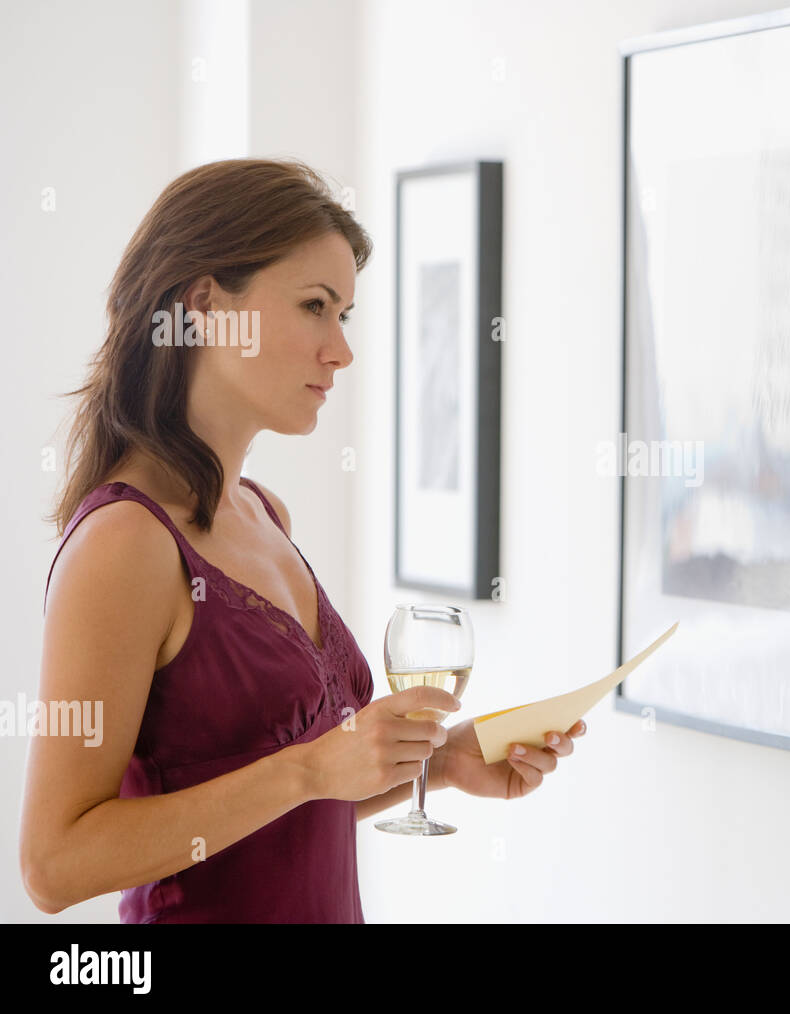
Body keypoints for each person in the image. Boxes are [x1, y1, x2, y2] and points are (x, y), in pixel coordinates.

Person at [19, 157, 583, 922]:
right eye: (315, 306)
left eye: (343, 314)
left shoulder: (263, 513)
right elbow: (53, 867)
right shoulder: (126, 544)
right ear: (205, 306)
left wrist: (441, 762)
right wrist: (311, 767)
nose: (341, 350)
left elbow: (278, 820)